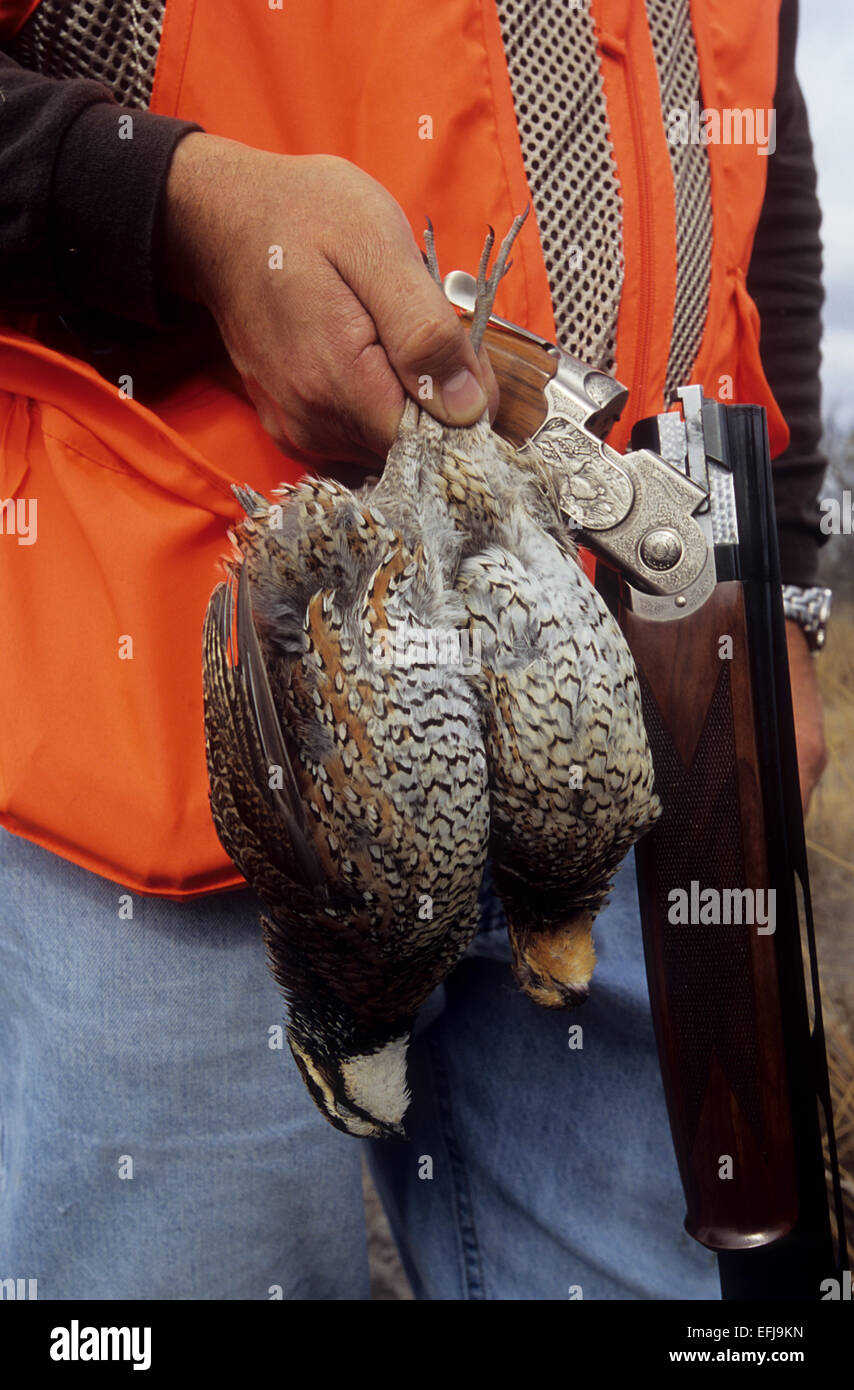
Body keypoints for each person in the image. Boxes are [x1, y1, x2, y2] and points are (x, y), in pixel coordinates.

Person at [0, 0, 829, 1299]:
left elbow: (754, 138)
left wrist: (781, 578)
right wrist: (177, 200)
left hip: (645, 696)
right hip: (187, 710)